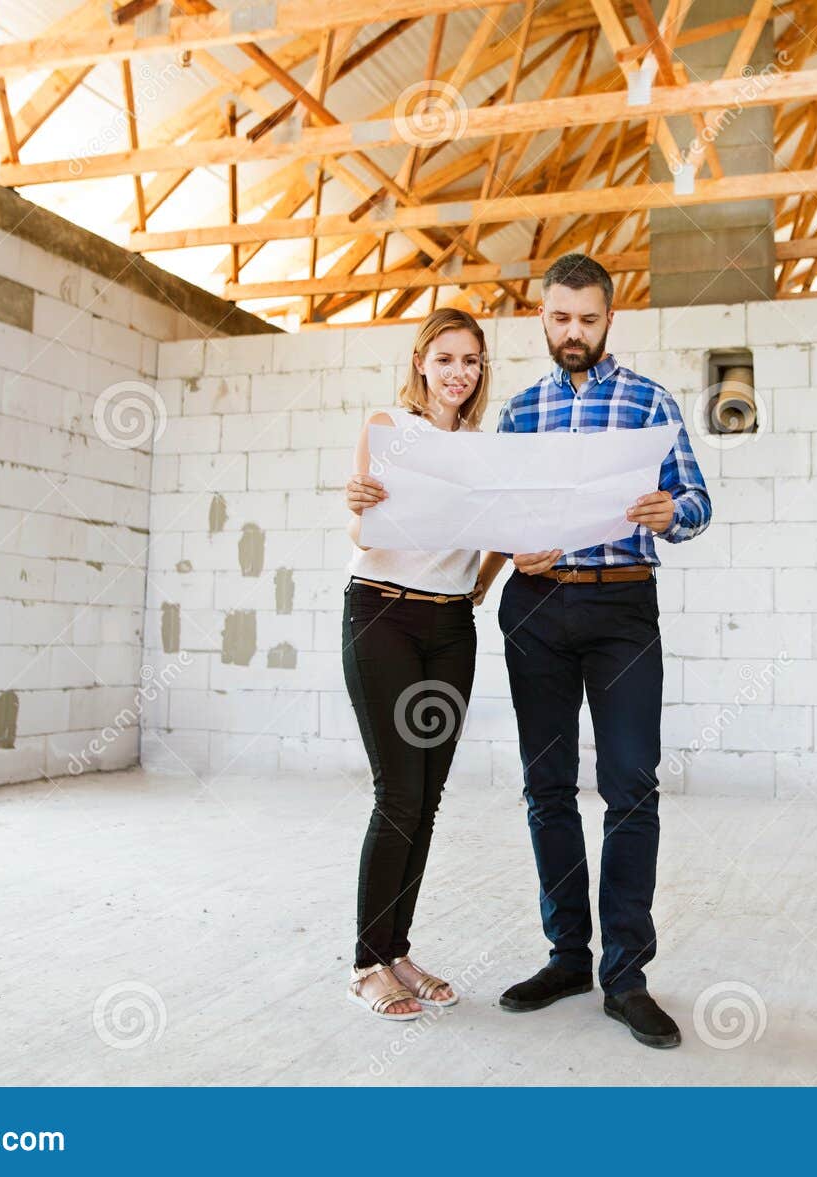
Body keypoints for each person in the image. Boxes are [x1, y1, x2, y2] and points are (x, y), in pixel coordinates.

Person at [475, 253, 713, 1048]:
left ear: (609, 318)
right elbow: (495, 515)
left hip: (620, 610)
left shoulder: (651, 401)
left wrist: (666, 509)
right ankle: (566, 955)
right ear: (542, 318)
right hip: (537, 608)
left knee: (630, 785)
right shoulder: (516, 412)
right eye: (559, 319)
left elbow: (697, 501)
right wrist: (517, 548)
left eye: (587, 319)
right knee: (547, 786)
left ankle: (626, 974)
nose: (573, 333)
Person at [341, 308, 499, 1021]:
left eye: (470, 360)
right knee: (398, 792)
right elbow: (360, 523)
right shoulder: (388, 430)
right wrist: (355, 501)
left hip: (450, 625)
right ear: (421, 364)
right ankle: (367, 962)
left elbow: (499, 536)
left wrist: (481, 581)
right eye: (445, 359)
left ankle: (397, 947)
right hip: (382, 614)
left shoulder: (486, 451)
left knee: (427, 796)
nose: (458, 373)